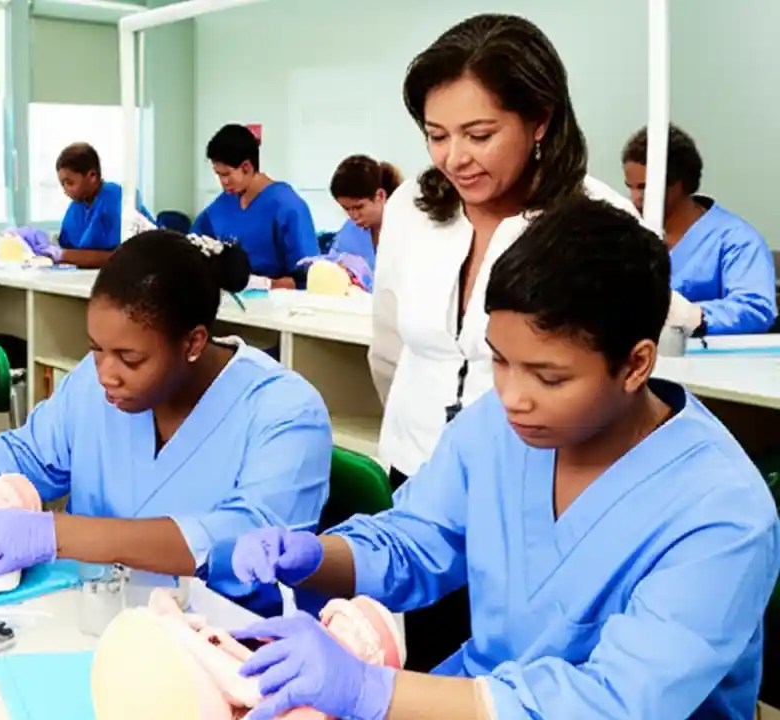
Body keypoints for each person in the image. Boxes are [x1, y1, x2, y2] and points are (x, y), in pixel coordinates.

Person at [229, 197, 780, 720]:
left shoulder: (721, 512)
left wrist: (371, 689)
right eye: (501, 362)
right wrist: (316, 558)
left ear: (636, 365)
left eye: (549, 376)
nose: (513, 396)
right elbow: (421, 538)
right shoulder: (497, 427)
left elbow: (613, 702)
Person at [366, 13, 637, 673]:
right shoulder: (410, 209)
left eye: (479, 134)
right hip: (421, 471)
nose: (455, 157)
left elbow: (616, 387)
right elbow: (388, 344)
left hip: (538, 489)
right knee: (430, 658)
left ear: (539, 119)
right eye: (437, 136)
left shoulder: (593, 224)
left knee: (522, 670)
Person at [0, 230, 332, 580]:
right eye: (96, 349)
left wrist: (55, 534)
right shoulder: (96, 384)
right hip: (92, 609)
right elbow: (30, 452)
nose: (105, 374)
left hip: (221, 642)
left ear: (193, 341)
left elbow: (247, 538)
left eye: (130, 358)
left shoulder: (286, 413)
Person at [621, 124, 777, 335]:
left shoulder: (736, 241)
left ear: (678, 184)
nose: (634, 198)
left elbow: (756, 310)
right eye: (630, 187)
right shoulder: (628, 235)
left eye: (643, 187)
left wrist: (693, 316)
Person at [192, 124, 319, 290]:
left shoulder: (288, 207)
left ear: (246, 167)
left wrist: (265, 284)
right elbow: (193, 244)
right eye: (218, 175)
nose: (223, 182)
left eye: (226, 174)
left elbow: (309, 279)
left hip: (276, 307)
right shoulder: (223, 204)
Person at [15, 143, 154, 270]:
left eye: (69, 183)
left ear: (92, 176)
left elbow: (117, 257)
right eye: (62, 184)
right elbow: (69, 245)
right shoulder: (78, 205)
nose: (65, 190)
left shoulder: (115, 198)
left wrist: (60, 255)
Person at [307, 155, 403, 291]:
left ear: (380, 196)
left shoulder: (407, 228)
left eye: (359, 207)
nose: (354, 216)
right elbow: (336, 265)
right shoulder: (350, 231)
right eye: (346, 209)